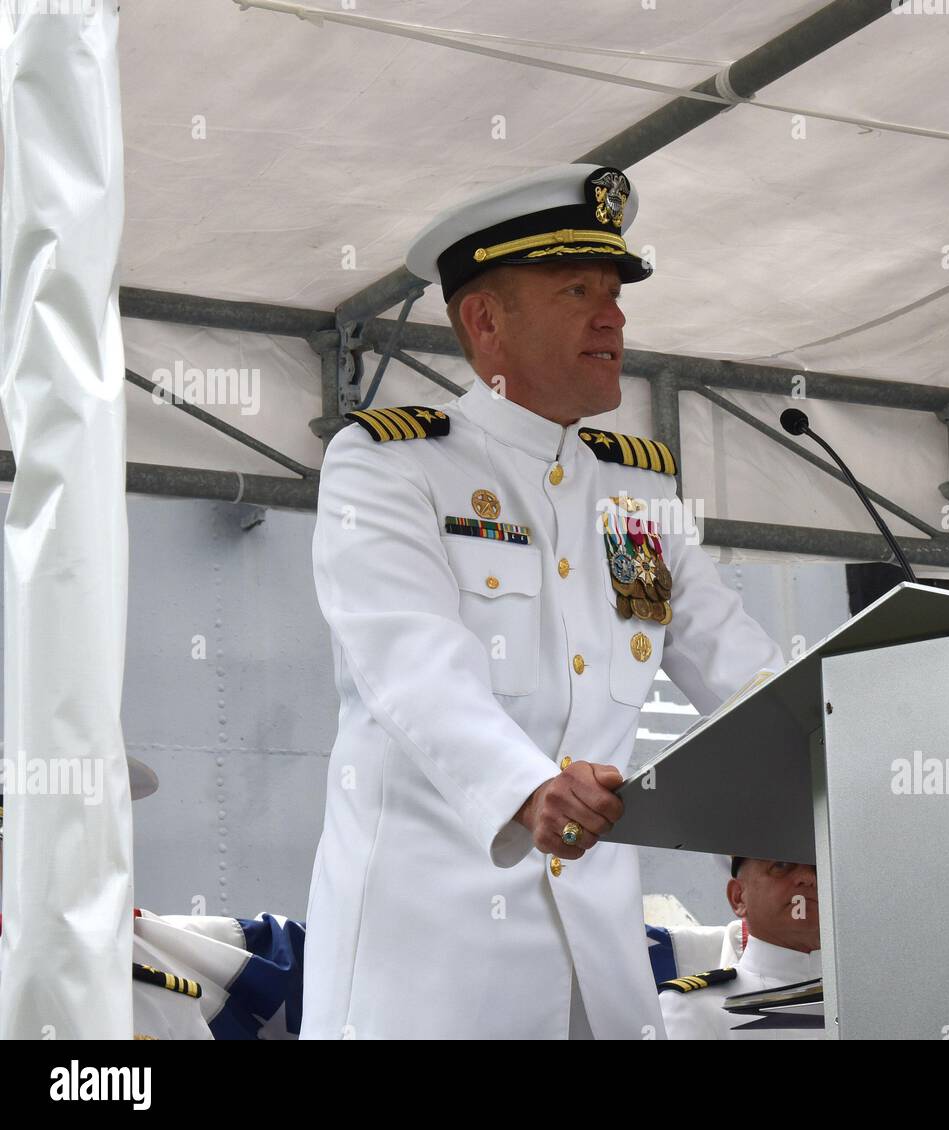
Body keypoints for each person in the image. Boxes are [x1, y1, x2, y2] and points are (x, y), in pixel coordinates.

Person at [300, 163, 787, 1039]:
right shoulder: (390, 463)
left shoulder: (633, 491)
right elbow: (411, 666)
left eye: (615, 292)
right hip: (433, 961)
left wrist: (849, 749)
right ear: (485, 321)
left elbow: (738, 668)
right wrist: (530, 788)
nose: (614, 317)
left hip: (599, 966)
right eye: (576, 289)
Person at [658, 857, 822, 1040]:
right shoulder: (692, 1007)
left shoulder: (856, 996)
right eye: (782, 865)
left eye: (819, 867)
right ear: (738, 897)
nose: (808, 877)